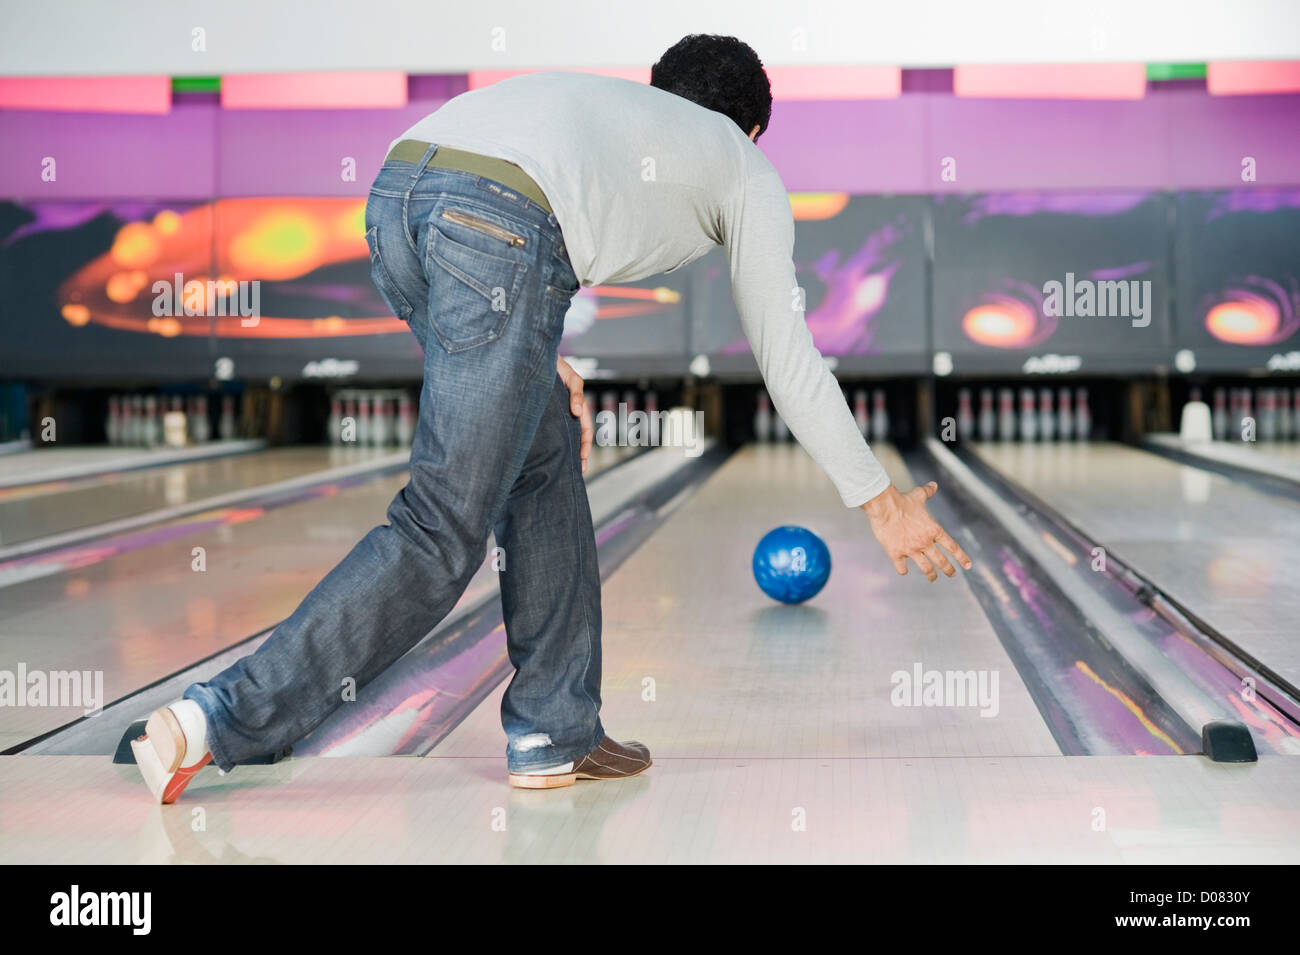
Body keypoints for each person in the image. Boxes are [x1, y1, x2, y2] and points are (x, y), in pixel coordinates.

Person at [132, 33, 971, 803]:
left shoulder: (610, 109)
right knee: (441, 527)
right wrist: (880, 500)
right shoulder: (740, 164)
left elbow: (489, 214)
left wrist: (537, 356)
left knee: (540, 463)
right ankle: (216, 719)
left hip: (396, 202)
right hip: (496, 228)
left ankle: (555, 731)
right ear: (751, 128)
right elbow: (785, 355)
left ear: (662, 90)